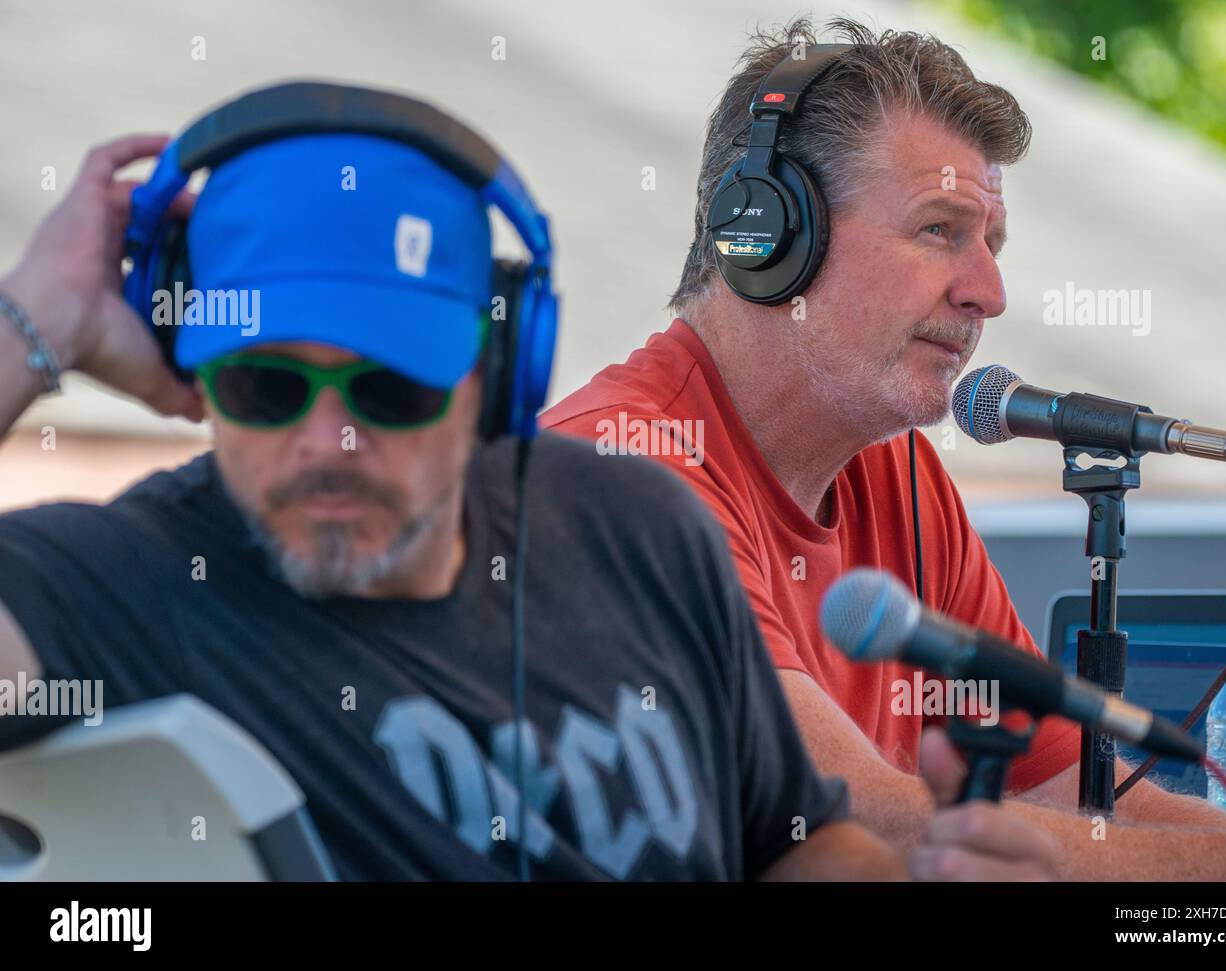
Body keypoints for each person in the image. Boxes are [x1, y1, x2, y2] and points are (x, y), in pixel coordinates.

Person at [0, 81, 1056, 881]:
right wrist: (30, 330)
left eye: (393, 389)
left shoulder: (634, 525)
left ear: (495, 372)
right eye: (268, 388)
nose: (331, 441)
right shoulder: (119, 582)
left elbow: (798, 839)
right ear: (198, 377)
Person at [543, 19, 1226, 880]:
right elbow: (871, 831)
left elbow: (1085, 806)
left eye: (992, 243)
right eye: (940, 229)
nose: (990, 292)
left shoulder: (897, 472)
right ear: (767, 237)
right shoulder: (616, 471)